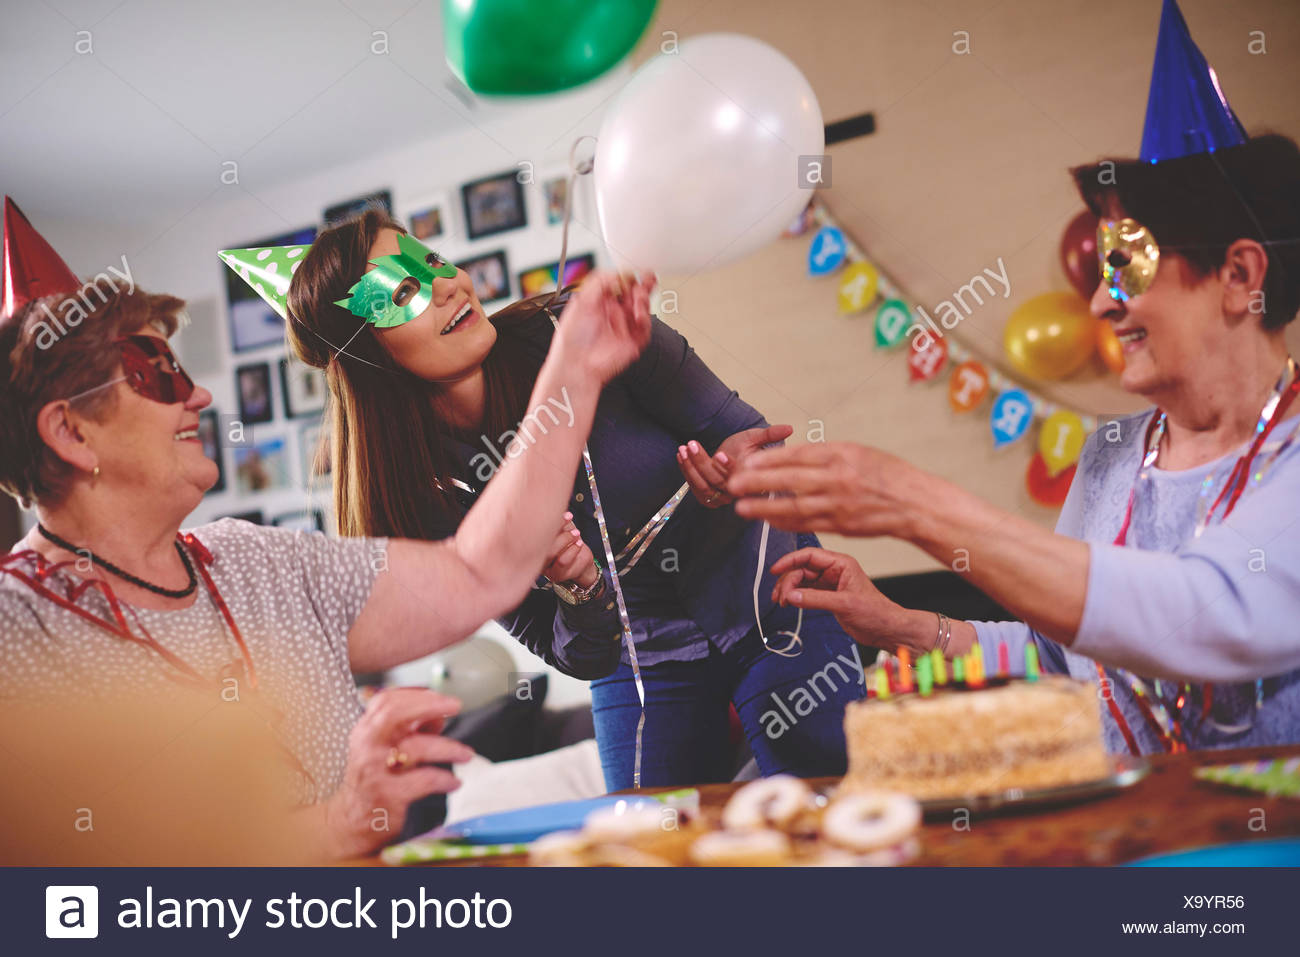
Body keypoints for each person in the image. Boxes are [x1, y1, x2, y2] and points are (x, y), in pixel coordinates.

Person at [0, 205, 652, 857]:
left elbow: (480, 570)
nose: (197, 397)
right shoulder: (16, 625)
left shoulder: (252, 557)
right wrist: (343, 819)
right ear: (70, 431)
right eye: (156, 372)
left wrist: (572, 372)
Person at [728, 133, 1300, 755]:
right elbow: (1061, 654)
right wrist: (904, 625)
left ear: (1241, 276)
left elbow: (1200, 614)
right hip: (1125, 837)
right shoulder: (1111, 454)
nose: (1102, 300)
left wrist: (913, 505)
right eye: (1106, 264)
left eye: (1130, 262)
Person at [272, 210, 868, 790]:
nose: (449, 284)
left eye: (434, 261)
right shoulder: (418, 496)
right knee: (648, 855)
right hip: (642, 669)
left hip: (774, 602)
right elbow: (575, 653)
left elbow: (759, 444)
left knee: (830, 813)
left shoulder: (587, 331)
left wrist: (739, 473)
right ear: (365, 355)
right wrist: (579, 592)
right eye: (405, 289)